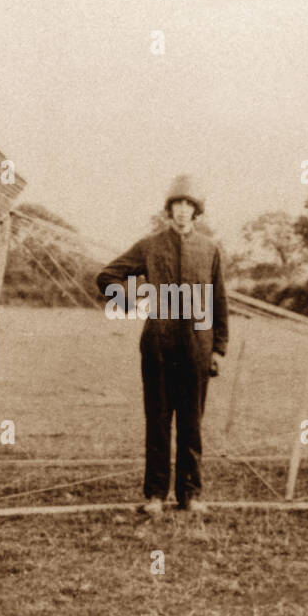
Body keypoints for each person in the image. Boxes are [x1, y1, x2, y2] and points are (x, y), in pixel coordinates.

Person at [96, 176, 229, 515]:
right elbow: (107, 276)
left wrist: (218, 349)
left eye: (188, 205)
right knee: (157, 421)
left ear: (197, 211)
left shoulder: (210, 249)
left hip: (197, 348)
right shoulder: (150, 245)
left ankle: (191, 494)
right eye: (176, 205)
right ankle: (155, 494)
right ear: (168, 209)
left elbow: (219, 301)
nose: (182, 211)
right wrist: (135, 304)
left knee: (191, 424)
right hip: (157, 347)